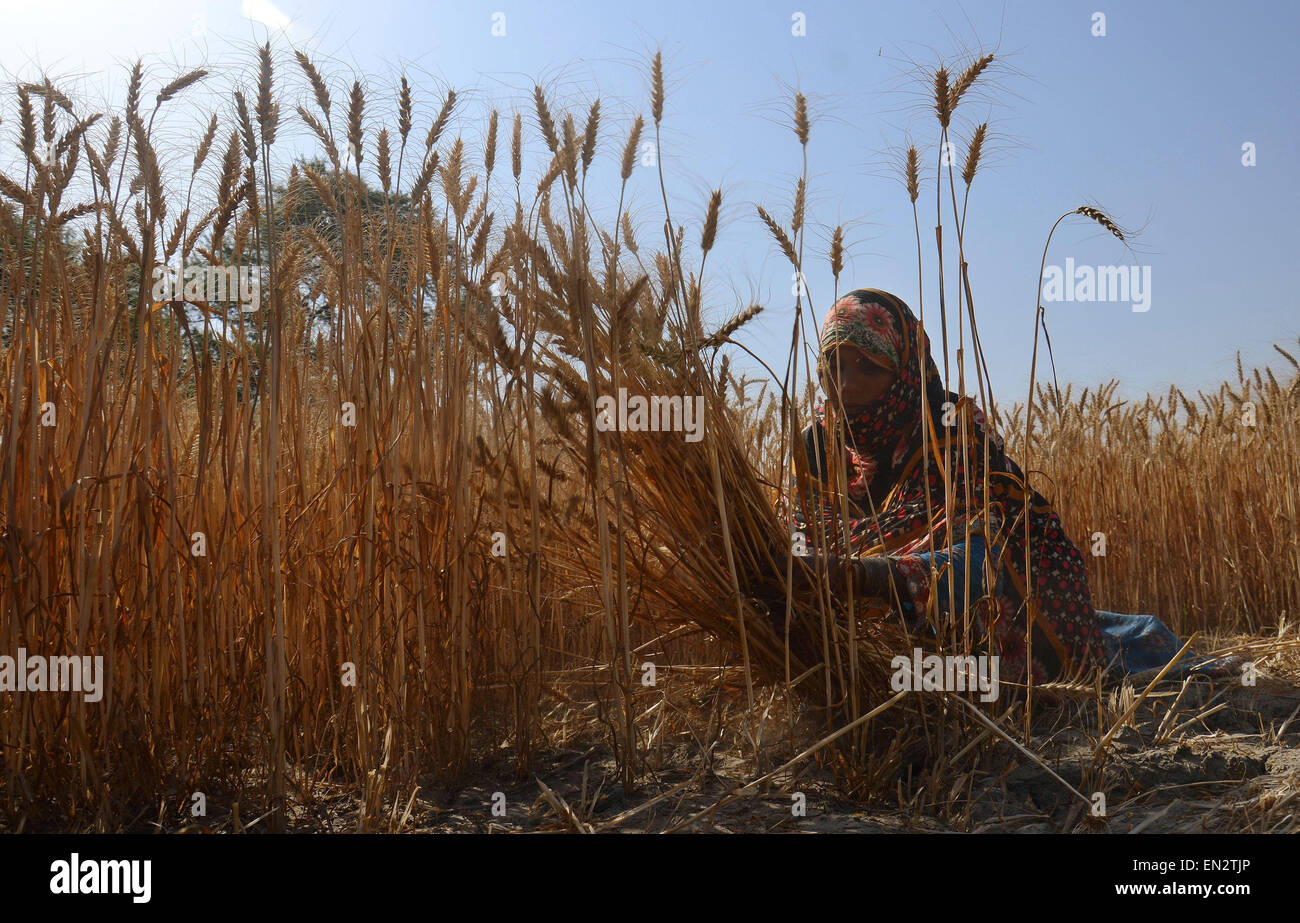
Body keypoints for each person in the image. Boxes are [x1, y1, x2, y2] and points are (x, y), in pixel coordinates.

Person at [783, 288, 1228, 687]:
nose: (846, 385)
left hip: (993, 607)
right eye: (834, 366)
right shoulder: (815, 448)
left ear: (905, 370)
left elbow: (983, 557)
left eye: (868, 367)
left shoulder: (951, 430)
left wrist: (858, 575)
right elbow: (793, 540)